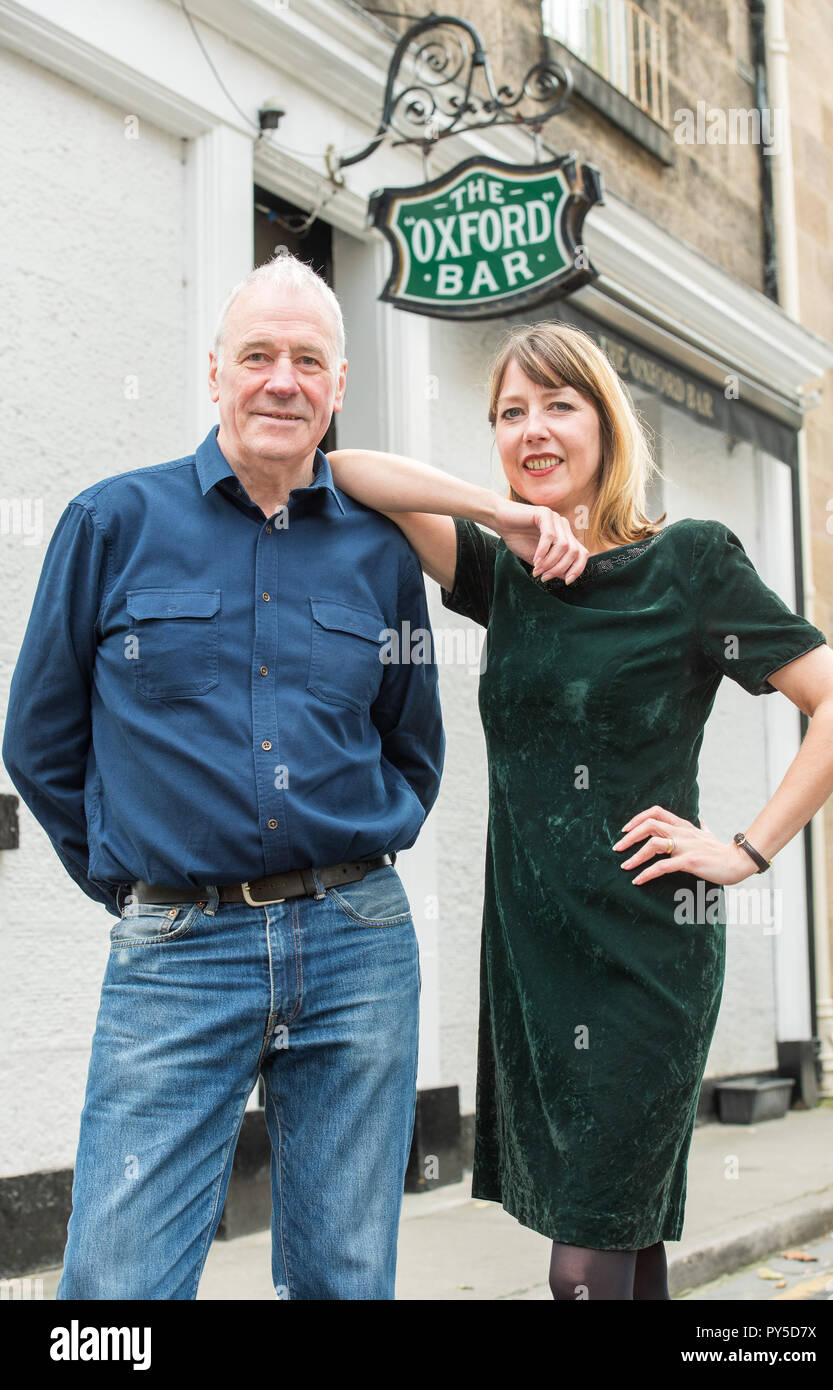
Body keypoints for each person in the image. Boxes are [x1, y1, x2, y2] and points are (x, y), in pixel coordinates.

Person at [326, 319, 833, 1301]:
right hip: (536, 965)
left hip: (646, 959)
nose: (532, 429)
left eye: (557, 405)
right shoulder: (506, 577)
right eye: (507, 412)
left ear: (606, 424)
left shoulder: (689, 565)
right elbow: (350, 470)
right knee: (620, 1247)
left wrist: (744, 849)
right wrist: (503, 513)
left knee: (581, 1264)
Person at [4, 252, 504, 1301]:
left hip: (355, 943)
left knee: (344, 1273)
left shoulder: (377, 552)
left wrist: (366, 853)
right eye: (258, 356)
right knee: (116, 1285)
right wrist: (139, 885)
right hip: (178, 950)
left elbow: (410, 740)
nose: (282, 379)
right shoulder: (112, 523)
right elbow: (40, 740)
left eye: (307, 360)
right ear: (215, 373)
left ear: (336, 385)